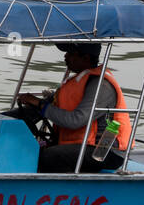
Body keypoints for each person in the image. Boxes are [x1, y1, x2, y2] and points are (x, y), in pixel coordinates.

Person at [10, 42, 132, 173]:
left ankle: (62, 190)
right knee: (31, 148)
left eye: (70, 53)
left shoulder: (100, 86)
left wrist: (40, 104)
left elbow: (75, 121)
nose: (65, 56)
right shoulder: (74, 82)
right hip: (82, 144)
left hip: (104, 150)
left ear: (86, 58)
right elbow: (37, 110)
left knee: (49, 157)